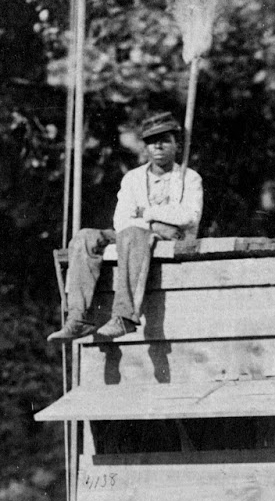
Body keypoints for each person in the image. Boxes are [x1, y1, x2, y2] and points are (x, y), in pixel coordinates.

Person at [48, 111, 203, 343]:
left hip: (171, 242)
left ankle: (124, 317)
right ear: (145, 147)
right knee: (85, 237)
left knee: (133, 232)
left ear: (176, 145)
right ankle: (78, 318)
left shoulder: (189, 178)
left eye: (164, 139)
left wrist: (146, 214)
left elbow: (188, 217)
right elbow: (121, 220)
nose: (158, 146)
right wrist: (157, 223)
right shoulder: (133, 178)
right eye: (152, 141)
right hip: (138, 236)